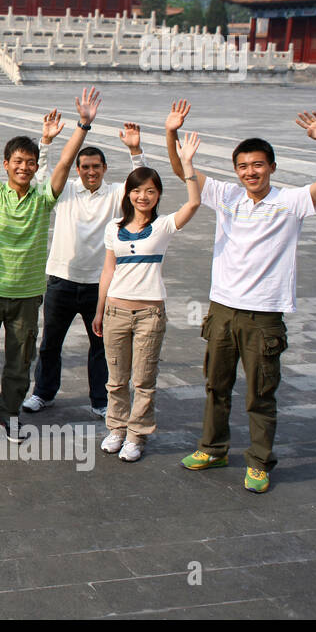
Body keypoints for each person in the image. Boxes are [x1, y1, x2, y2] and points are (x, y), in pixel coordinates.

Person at [166, 101, 316, 493]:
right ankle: (213, 448)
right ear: (237, 171)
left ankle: (260, 462)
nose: (251, 172)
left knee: (260, 393)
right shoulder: (227, 196)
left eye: (258, 165)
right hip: (222, 310)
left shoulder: (291, 202)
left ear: (272, 168)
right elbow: (183, 172)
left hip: (263, 316)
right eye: (243, 166)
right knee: (216, 385)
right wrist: (172, 134)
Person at [0, 87, 103, 443]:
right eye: (18, 161)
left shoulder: (44, 197)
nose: (24, 167)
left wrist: (83, 125)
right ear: (6, 164)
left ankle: (10, 414)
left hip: (28, 296)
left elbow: (63, 163)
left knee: (20, 363)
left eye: (30, 163)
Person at [22, 118, 148, 418]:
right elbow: (41, 180)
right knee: (50, 342)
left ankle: (100, 399)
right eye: (85, 167)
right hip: (61, 281)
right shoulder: (65, 190)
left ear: (105, 169)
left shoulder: (117, 194)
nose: (91, 172)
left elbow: (142, 186)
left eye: (96, 167)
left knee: (101, 346)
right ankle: (42, 393)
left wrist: (135, 150)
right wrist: (46, 143)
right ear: (78, 170)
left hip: (101, 285)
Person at [92, 132, 202, 463]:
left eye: (150, 191)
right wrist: (99, 311)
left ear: (158, 195)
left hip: (150, 315)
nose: (143, 196)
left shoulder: (164, 226)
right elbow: (108, 271)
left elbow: (194, 203)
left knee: (143, 380)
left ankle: (137, 435)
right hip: (115, 312)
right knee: (116, 378)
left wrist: (188, 165)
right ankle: (116, 428)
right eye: (137, 190)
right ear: (128, 193)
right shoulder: (114, 227)